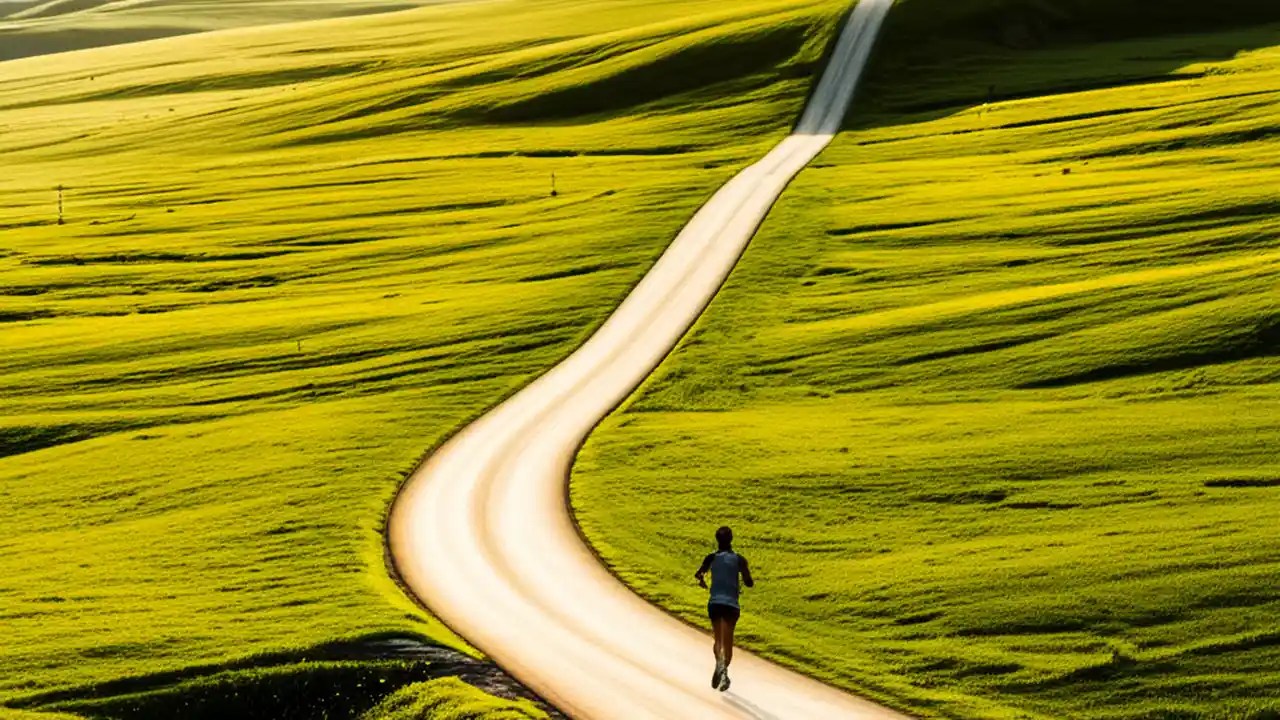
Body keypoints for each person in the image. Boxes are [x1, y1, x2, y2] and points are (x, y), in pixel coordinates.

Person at [694, 526, 753, 692]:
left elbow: (699, 574)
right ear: (731, 539)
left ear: (717, 540)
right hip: (731, 605)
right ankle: (723, 670)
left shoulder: (711, 557)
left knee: (718, 639)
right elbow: (749, 582)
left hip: (715, 603)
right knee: (728, 641)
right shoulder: (739, 559)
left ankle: (719, 665)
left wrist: (702, 581)